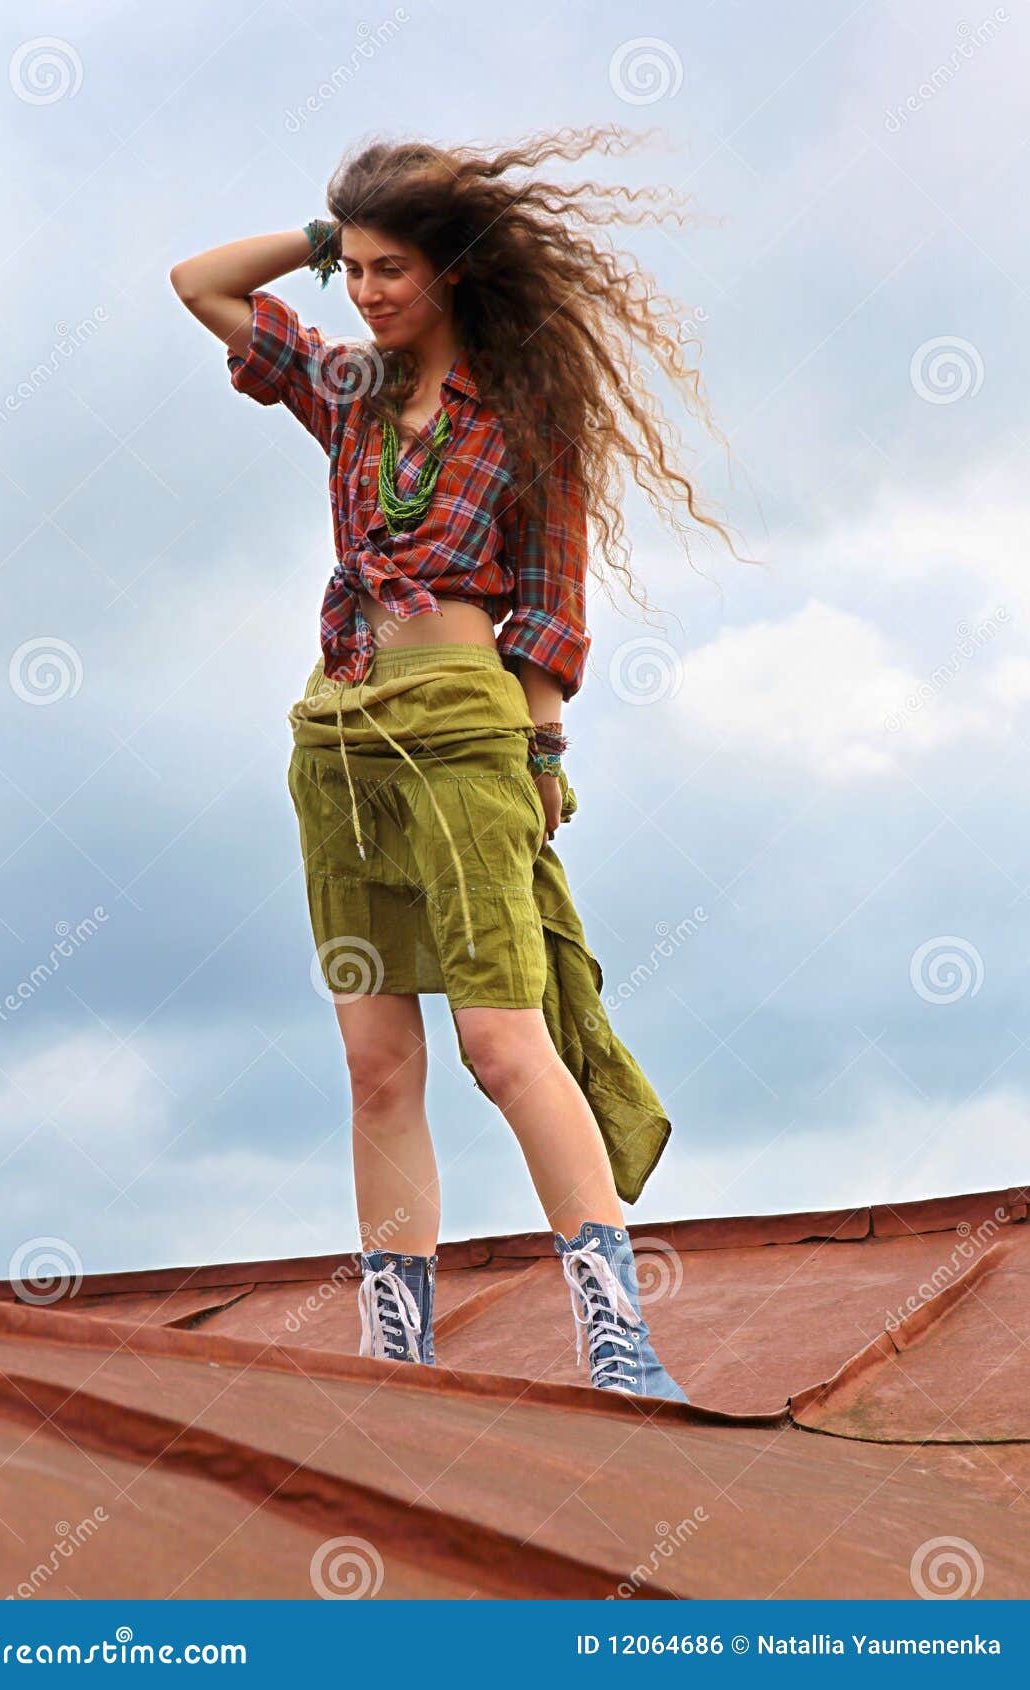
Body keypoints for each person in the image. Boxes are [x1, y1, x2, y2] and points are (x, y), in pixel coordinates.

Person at [170, 126, 741, 1403]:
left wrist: (543, 752)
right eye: (354, 269)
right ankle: (395, 1349)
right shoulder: (348, 388)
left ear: (456, 273)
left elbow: (549, 600)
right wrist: (324, 234)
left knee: (499, 1039)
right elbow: (201, 287)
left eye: (393, 269)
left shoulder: (527, 412)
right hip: (340, 738)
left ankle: (612, 1327)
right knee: (377, 1063)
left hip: (470, 736)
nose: (367, 292)